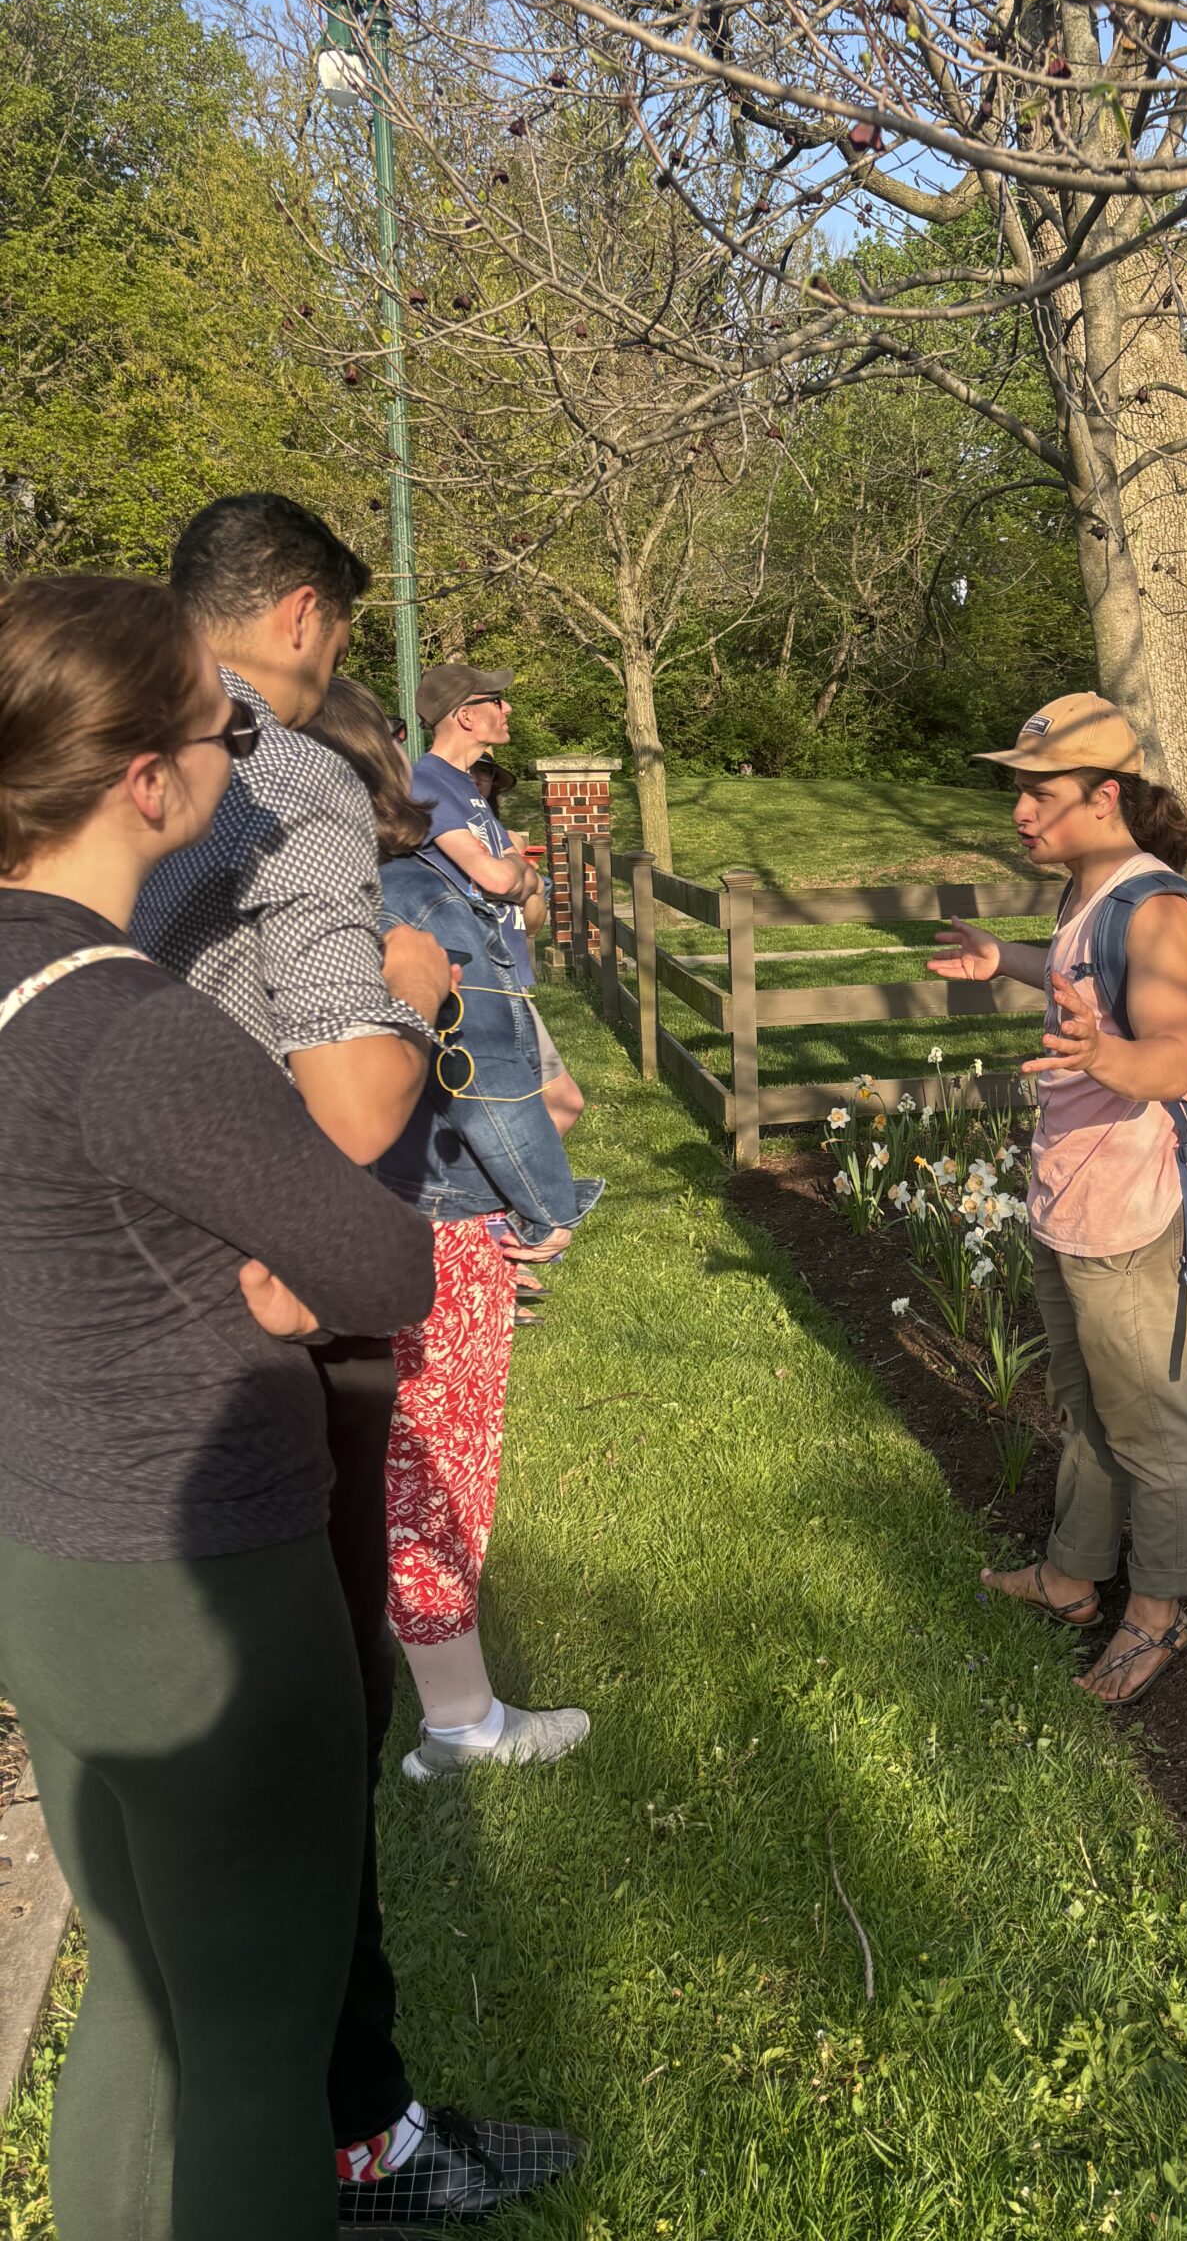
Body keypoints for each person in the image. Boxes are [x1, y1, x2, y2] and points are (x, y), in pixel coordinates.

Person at [133, 497, 583, 2226]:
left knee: (213, 1766)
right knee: (323, 1738)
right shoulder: (292, 773)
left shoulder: (105, 770)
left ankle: (274, 2110)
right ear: (309, 614)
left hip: (127, 1321)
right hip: (285, 1316)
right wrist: (402, 987)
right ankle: (361, 2141)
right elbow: (350, 1098)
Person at [0, 575, 438, 2241]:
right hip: (206, 1598)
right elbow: (384, 1261)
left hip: (45, 1570)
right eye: (222, 727)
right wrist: (413, 998)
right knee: (252, 2049)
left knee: (140, 1995)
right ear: (144, 781)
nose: (234, 757)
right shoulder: (137, 1034)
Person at [309, 678, 599, 1779]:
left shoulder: (312, 899)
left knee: (376, 1459)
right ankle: (461, 1722)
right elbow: (482, 1082)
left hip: (355, 1212)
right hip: (439, 1214)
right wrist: (546, 1208)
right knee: (440, 1462)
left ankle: (410, 1692)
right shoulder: (411, 897)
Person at [929, 693, 1187, 1707]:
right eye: (1019, 790)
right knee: (1089, 1411)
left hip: (1130, 1214)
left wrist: (1104, 1053)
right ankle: (1074, 1576)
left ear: (1104, 795)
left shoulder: (1160, 908)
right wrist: (1003, 961)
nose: (1021, 810)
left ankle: (1162, 1610)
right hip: (1071, 1199)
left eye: (1039, 791)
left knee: (1152, 1424)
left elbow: (1176, 1056)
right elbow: (1079, 975)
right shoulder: (1089, 899)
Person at [411, 665, 584, 1137]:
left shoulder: (467, 787)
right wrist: (515, 873)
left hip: (504, 975)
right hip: (475, 986)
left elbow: (520, 880)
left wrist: (516, 873)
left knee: (557, 1105)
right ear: (465, 716)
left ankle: (499, 1207)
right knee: (539, 1110)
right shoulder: (428, 783)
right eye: (496, 700)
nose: (506, 708)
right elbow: (498, 876)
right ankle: (490, 1207)